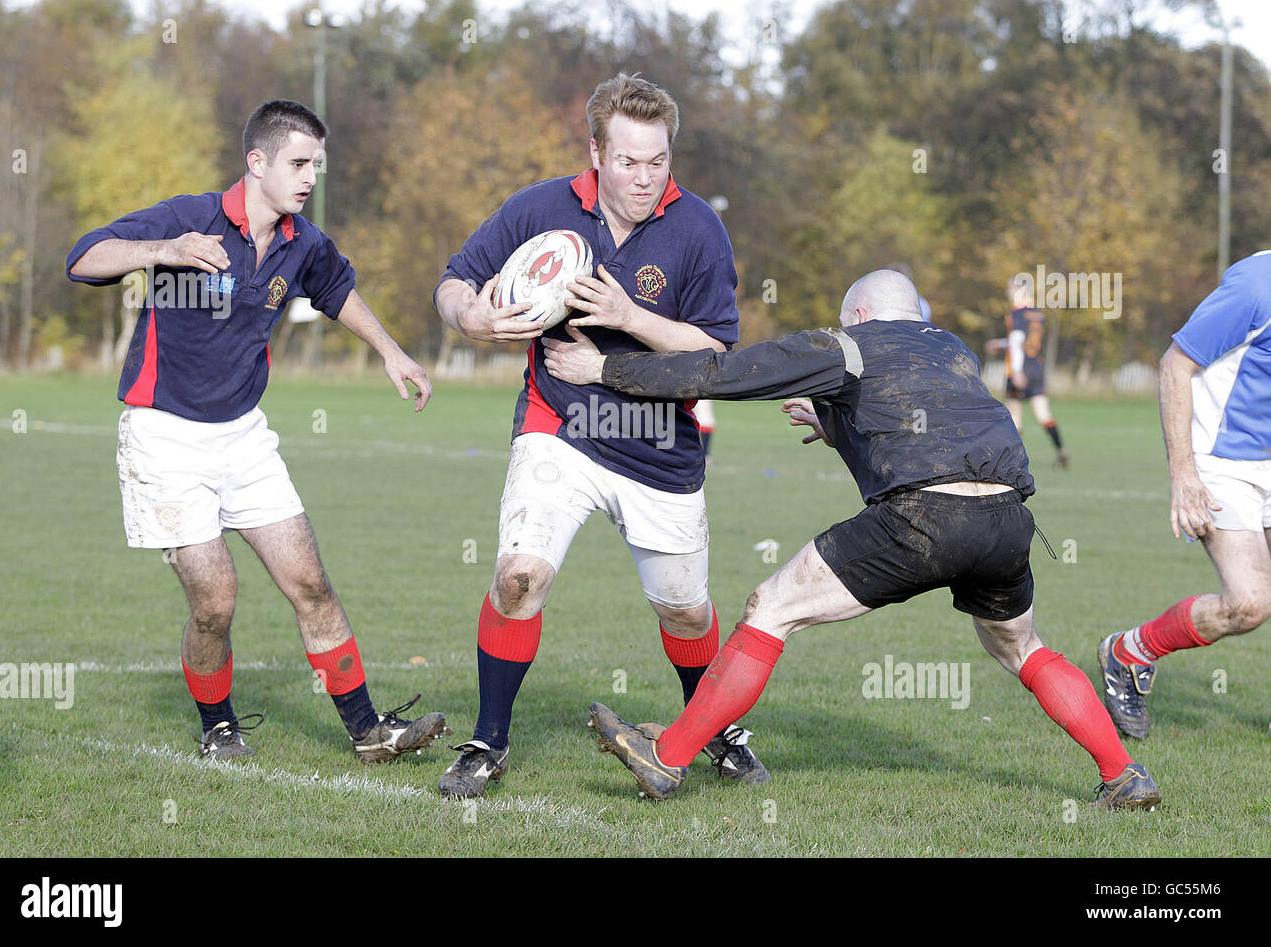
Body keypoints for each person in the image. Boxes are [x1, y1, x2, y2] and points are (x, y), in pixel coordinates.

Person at [544, 269, 1160, 809]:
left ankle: (668, 755)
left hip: (924, 518)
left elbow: (727, 373)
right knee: (1022, 647)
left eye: (845, 320)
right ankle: (1123, 773)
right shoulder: (949, 347)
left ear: (858, 315)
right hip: (1006, 518)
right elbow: (924, 423)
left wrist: (605, 368)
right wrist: (837, 422)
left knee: (770, 609)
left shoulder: (848, 342)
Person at [65, 100, 447, 761]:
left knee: (311, 585)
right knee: (215, 602)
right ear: (257, 161)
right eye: (298, 164)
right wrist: (166, 249)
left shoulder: (303, 242)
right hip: (164, 437)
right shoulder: (192, 217)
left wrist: (390, 350)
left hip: (243, 435)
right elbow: (84, 258)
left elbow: (336, 290)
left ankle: (368, 731)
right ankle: (219, 727)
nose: (308, 178)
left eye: (316, 166)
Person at [432, 73, 768, 798]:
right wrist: (472, 317)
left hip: (659, 445)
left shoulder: (698, 228)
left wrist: (625, 324)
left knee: (684, 608)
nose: (645, 178)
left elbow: (714, 356)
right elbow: (455, 281)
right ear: (595, 152)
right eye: (628, 161)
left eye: (659, 161)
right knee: (519, 576)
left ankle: (713, 728)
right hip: (561, 428)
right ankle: (488, 739)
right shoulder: (541, 208)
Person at [1097, 251, 1271, 739]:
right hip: (1222, 461)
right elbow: (1175, 366)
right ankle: (1129, 651)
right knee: (1249, 604)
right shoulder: (1258, 287)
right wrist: (1184, 474)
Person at [985, 276, 1069, 468]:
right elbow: (1024, 340)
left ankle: (1015, 461)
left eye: (1010, 289)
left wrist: (1016, 371)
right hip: (1036, 368)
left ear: (1018, 290)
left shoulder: (1015, 314)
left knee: (1014, 416)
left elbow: (1016, 340)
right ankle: (1061, 450)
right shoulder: (1038, 314)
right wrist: (999, 343)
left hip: (1019, 369)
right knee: (1043, 414)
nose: (1008, 293)